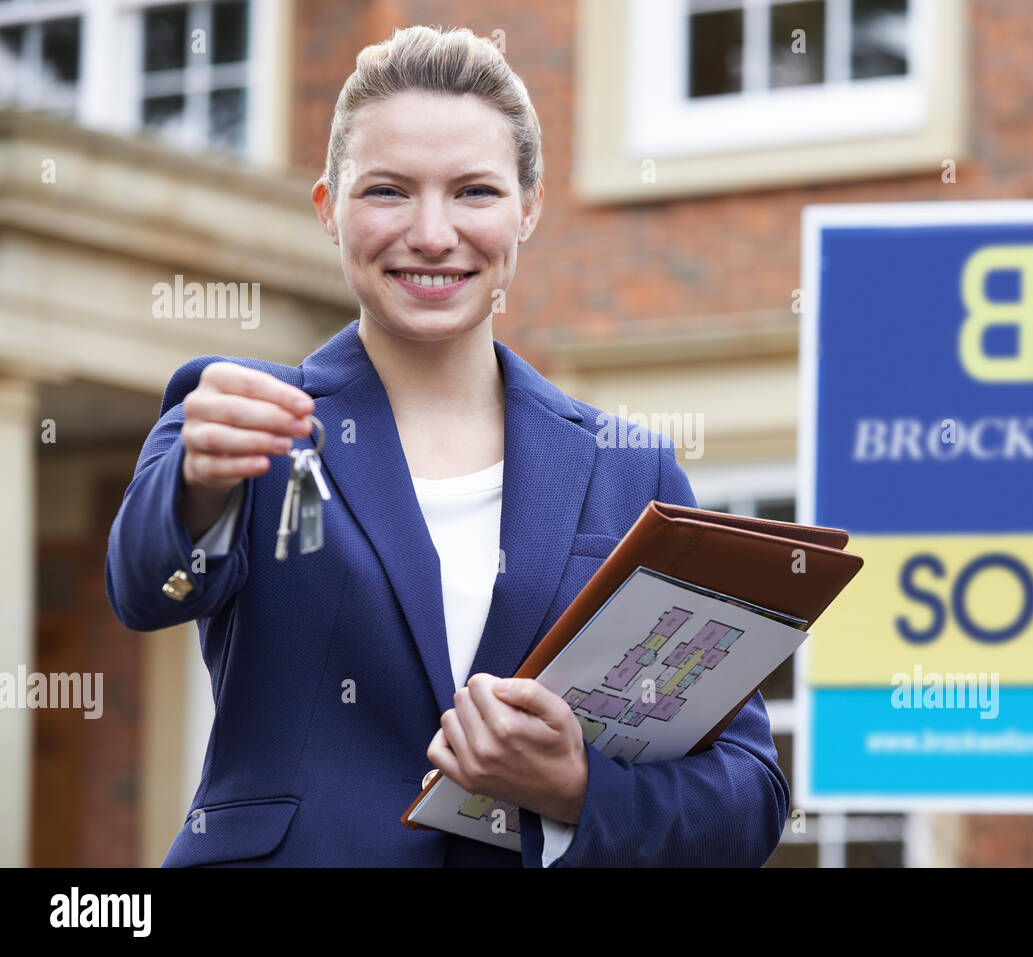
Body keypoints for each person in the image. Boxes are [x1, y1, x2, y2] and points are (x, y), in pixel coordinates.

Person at [105, 24, 788, 867]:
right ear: (329, 209)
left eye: (474, 192)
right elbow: (146, 588)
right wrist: (197, 489)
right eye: (388, 191)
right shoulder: (239, 413)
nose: (431, 234)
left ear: (528, 209)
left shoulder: (629, 468)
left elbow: (748, 798)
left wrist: (577, 786)